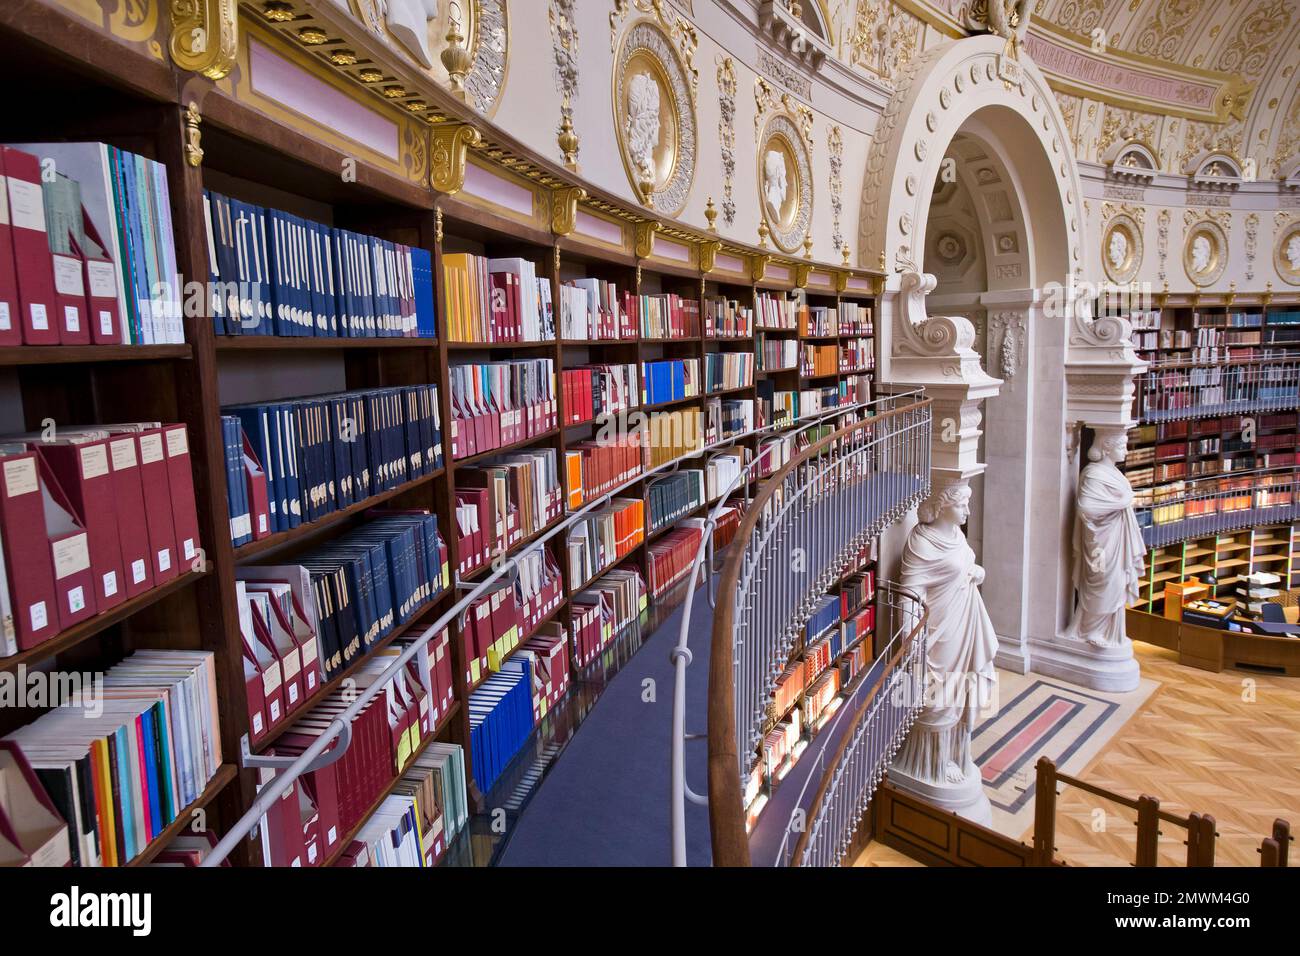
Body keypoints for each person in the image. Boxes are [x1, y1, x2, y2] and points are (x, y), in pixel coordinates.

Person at [1063, 428, 1146, 648]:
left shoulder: (1114, 473)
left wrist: (1124, 501)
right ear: (1107, 447)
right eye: (1121, 446)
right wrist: (1122, 502)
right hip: (1101, 542)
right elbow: (1086, 508)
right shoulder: (1093, 474)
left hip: (1116, 537)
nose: (1126, 451)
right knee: (1103, 583)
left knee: (1116, 583)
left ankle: (1106, 631)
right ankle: (1089, 630)